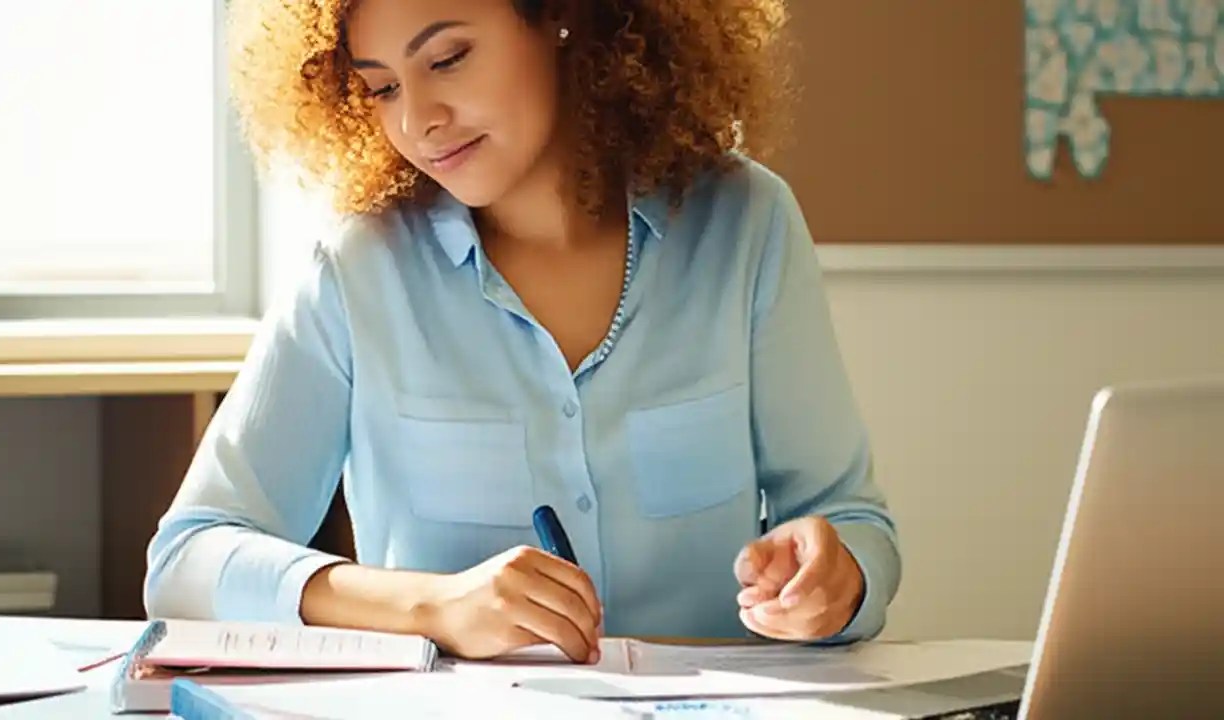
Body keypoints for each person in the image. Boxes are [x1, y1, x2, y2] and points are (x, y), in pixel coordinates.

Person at [145, 0, 901, 666]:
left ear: (561, 16)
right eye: (381, 87)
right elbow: (187, 562)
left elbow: (853, 522)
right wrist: (431, 606)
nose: (417, 120)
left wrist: (836, 581)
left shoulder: (746, 224)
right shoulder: (358, 270)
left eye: (447, 58)